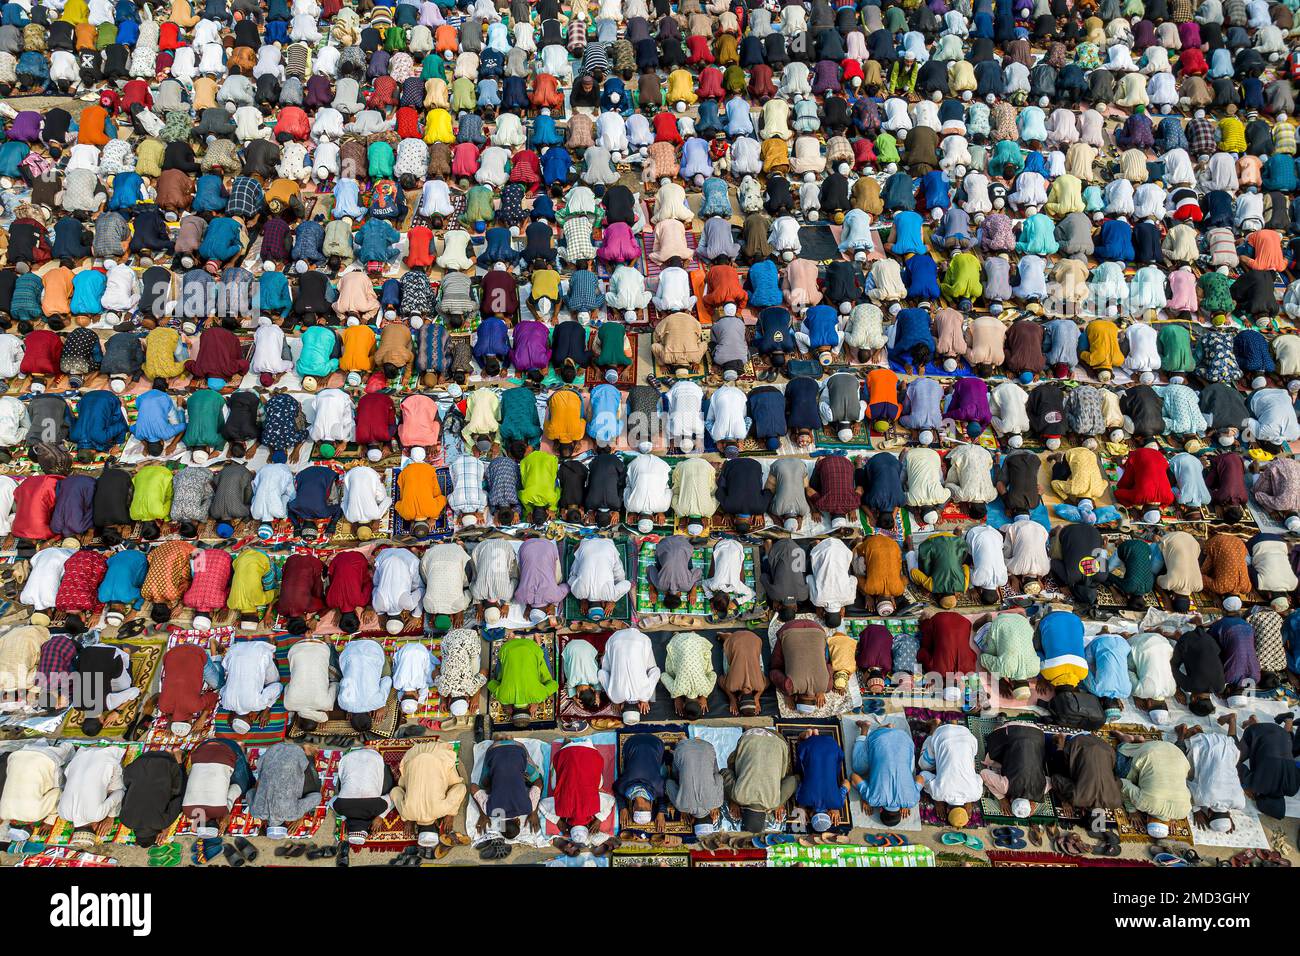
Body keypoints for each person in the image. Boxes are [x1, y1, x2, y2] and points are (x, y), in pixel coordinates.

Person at [391, 740, 469, 855]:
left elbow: (461, 788)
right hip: (412, 754)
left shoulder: (442, 810)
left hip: (439, 752)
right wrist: (406, 817)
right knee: (402, 785)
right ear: (418, 828)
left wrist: (451, 813)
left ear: (438, 825)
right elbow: (395, 791)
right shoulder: (407, 813)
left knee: (455, 784)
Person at [1113, 732, 1193, 839]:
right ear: (1148, 820)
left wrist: (1172, 817)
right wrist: (1132, 810)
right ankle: (1125, 742)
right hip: (1150, 751)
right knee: (1120, 773)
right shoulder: (1144, 804)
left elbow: (1185, 792)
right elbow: (1123, 783)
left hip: (1177, 752)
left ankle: (1139, 745)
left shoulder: (1183, 811)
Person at [724, 726, 799, 833]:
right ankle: (756, 729)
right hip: (749, 736)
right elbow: (724, 773)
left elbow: (794, 779)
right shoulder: (738, 796)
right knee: (733, 765)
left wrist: (781, 800)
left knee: (785, 772)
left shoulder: (774, 802)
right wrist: (732, 799)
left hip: (778, 740)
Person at [1177, 720, 1246, 835]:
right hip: (1202, 745)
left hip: (1228, 745)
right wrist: (1197, 811)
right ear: (1209, 814)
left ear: (1229, 815)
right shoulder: (1203, 799)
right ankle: (1181, 734)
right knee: (1181, 762)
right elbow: (1186, 785)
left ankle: (1199, 732)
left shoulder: (1240, 803)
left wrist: (1225, 818)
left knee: (1218, 759)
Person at [849, 719, 921, 826]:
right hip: (878, 738)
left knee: (908, 769)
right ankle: (864, 729)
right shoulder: (873, 799)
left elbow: (920, 778)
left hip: (904, 738)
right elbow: (853, 776)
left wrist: (906, 804)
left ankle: (889, 729)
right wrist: (864, 796)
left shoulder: (912, 800)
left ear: (900, 812)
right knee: (857, 768)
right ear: (881, 810)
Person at [246, 742, 323, 840]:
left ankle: (308, 752)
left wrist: (301, 815)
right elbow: (250, 793)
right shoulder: (256, 812)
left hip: (296, 753)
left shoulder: (293, 814)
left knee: (314, 789)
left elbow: (317, 797)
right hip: (272, 750)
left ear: (286, 824)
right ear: (266, 826)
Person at [471, 736, 544, 839]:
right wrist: (483, 814)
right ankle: (500, 740)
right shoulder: (490, 809)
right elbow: (473, 787)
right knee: (484, 785)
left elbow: (539, 782)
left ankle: (508, 740)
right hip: (493, 750)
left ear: (518, 821)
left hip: (518, 748)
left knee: (536, 778)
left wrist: (534, 812)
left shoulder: (529, 807)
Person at [1046, 732, 1124, 823]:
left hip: (1104, 746)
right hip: (1077, 742)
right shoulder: (1078, 798)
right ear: (1083, 812)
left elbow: (1119, 781)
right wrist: (1065, 800)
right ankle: (1061, 743)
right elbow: (1055, 779)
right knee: (1059, 769)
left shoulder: (1116, 801)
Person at [917, 719, 982, 827]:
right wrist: (937, 798)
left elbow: (978, 777)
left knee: (970, 765)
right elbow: (923, 774)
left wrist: (969, 800)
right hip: (941, 734)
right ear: (947, 810)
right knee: (923, 765)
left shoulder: (976, 794)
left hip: (967, 736)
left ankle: (954, 724)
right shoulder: (938, 793)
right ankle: (934, 728)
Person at [1235, 712, 1300, 819]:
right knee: (1234, 757)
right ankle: (1252, 724)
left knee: (1287, 749)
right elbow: (1235, 767)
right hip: (1256, 732)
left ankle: (1289, 720)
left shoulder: (1292, 789)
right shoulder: (1256, 784)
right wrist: (1245, 785)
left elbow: (1296, 765)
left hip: (1283, 734)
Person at [979, 719, 1048, 820]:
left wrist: (1035, 799)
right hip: (1012, 730)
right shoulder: (1005, 787)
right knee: (991, 758)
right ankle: (1001, 725)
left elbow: (1051, 781)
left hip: (1037, 732)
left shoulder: (1041, 789)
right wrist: (1001, 798)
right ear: (1010, 801)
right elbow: (983, 773)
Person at [486, 637, 559, 728]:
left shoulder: (538, 696)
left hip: (533, 647)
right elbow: (491, 683)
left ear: (530, 709)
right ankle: (510, 640)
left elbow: (555, 685)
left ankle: (540, 646)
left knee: (549, 679)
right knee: (498, 679)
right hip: (507, 648)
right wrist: (505, 703)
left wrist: (537, 702)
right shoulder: (502, 697)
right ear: (512, 711)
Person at [332, 746, 396, 845]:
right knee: (341, 790)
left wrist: (381, 816)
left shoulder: (376, 808)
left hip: (374, 757)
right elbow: (332, 801)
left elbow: (392, 798)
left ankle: (372, 752)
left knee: (389, 788)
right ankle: (365, 751)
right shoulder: (340, 808)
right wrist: (344, 816)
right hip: (348, 758)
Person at [217, 639, 282, 736]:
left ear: (251, 718)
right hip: (235, 649)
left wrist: (267, 709)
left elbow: (278, 687)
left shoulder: (258, 705)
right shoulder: (225, 702)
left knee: (274, 681)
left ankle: (272, 654)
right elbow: (223, 689)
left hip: (261, 651)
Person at [598, 627, 660, 723]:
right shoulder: (614, 696)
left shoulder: (645, 694)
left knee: (651, 667)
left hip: (641, 639)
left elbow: (656, 672)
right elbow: (601, 674)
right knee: (607, 666)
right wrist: (615, 701)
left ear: (639, 706)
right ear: (622, 706)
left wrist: (645, 699)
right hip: (615, 638)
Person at [666, 736, 725, 836]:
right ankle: (684, 741)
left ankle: (696, 741)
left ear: (711, 816)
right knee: (676, 775)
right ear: (692, 821)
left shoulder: (718, 802)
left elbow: (719, 777)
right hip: (682, 749)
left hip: (708, 747)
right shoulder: (681, 806)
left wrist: (715, 805)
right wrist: (683, 809)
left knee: (713, 772)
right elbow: (669, 783)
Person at [793, 729, 849, 832]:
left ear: (829, 814)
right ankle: (805, 737)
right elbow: (799, 782)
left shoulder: (838, 803)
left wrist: (835, 807)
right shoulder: (802, 800)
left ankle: (815, 736)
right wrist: (802, 808)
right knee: (800, 772)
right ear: (810, 815)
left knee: (834, 767)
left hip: (832, 744)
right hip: (808, 746)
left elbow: (846, 783)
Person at [615, 731, 668, 832]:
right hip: (630, 742)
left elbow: (663, 796)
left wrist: (661, 812)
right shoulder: (623, 787)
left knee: (663, 773)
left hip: (656, 742)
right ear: (633, 808)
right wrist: (622, 807)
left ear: (651, 807)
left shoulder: (658, 787)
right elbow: (615, 789)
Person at [660, 631, 716, 717]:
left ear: (700, 703)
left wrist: (705, 696)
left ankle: (691, 634)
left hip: (697, 641)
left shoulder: (706, 689)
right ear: (683, 705)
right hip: (677, 643)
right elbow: (663, 675)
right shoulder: (676, 690)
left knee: (706, 670)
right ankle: (677, 636)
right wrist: (676, 697)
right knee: (671, 672)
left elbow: (713, 675)